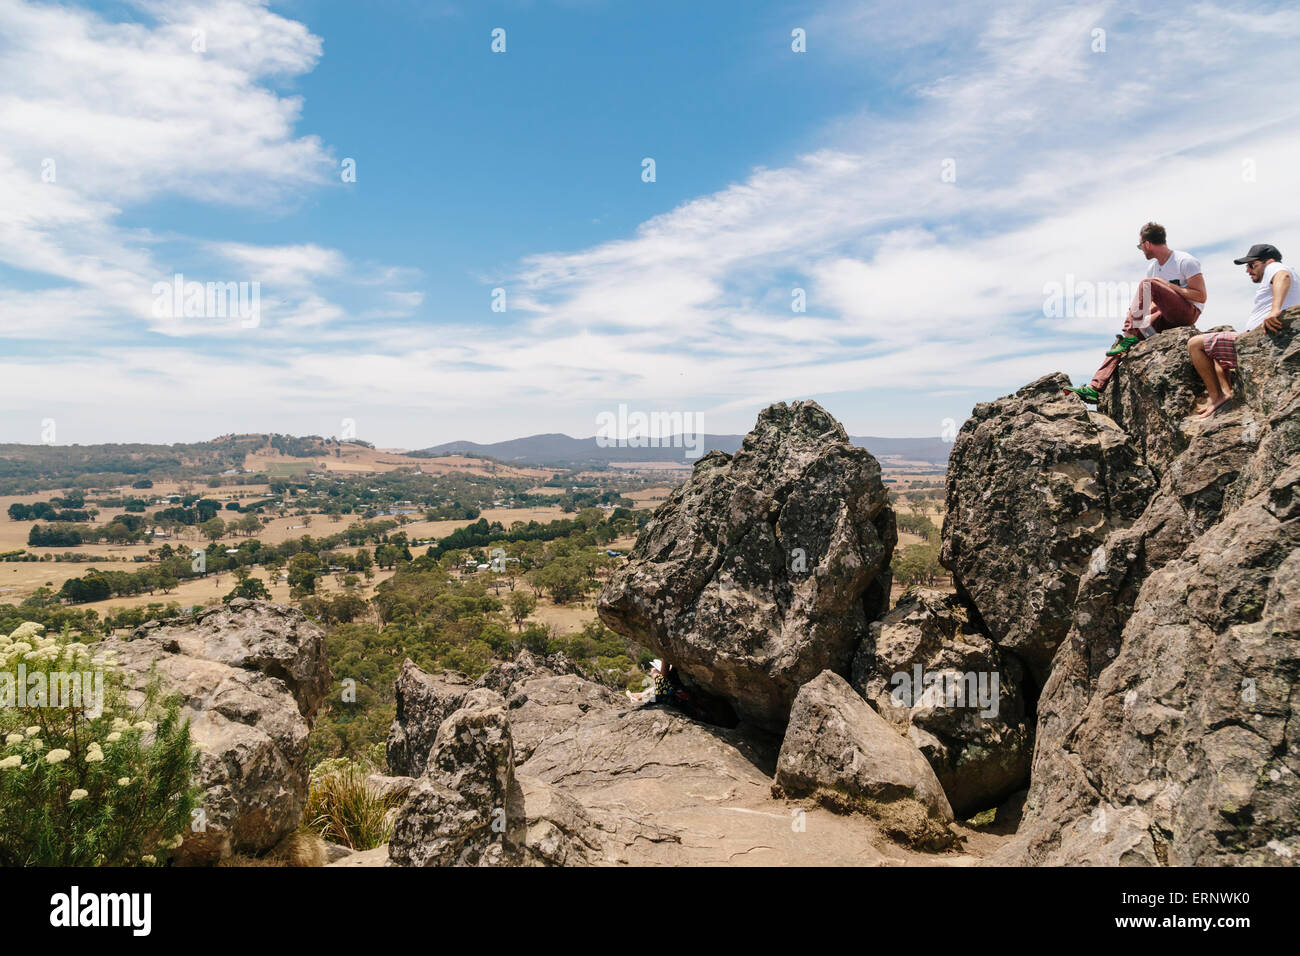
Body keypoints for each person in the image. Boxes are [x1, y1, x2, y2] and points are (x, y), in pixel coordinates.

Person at [1064, 222, 1207, 403]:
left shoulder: (1184, 261)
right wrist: (1136, 315)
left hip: (1187, 313)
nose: (1141, 250)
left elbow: (1201, 296)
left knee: (1148, 284)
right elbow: (1154, 303)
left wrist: (1166, 285)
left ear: (1147, 244)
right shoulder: (1153, 268)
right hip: (1164, 316)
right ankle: (1095, 387)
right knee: (1123, 341)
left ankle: (1129, 332)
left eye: (1140, 246)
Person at [1188, 244, 1299, 419]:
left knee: (1195, 344)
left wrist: (1275, 310)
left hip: (1258, 341)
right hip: (1252, 341)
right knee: (1214, 352)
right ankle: (1226, 392)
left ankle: (1217, 397)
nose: (1247, 270)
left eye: (1251, 265)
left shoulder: (1275, 267)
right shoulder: (1283, 273)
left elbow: (1282, 276)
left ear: (1267, 261)